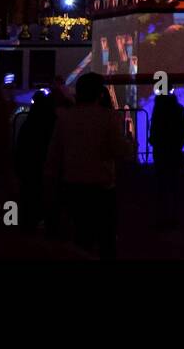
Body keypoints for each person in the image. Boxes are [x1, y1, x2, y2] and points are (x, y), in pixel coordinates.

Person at [45, 73, 130, 259]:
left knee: (81, 238)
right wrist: (131, 144)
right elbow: (119, 150)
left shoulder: (65, 118)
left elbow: (54, 153)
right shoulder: (108, 118)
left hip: (73, 185)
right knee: (106, 239)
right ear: (100, 94)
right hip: (101, 187)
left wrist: (51, 182)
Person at [13, 89, 57, 236]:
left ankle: (24, 221)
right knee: (42, 192)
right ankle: (41, 221)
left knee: (27, 192)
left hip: (28, 163)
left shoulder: (27, 121)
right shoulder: (51, 121)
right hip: (44, 162)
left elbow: (21, 143)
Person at [149, 91, 184, 229]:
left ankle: (162, 217)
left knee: (161, 186)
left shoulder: (158, 110)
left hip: (160, 152)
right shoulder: (179, 110)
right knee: (175, 185)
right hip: (174, 151)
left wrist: (155, 142)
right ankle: (176, 217)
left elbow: (154, 132)